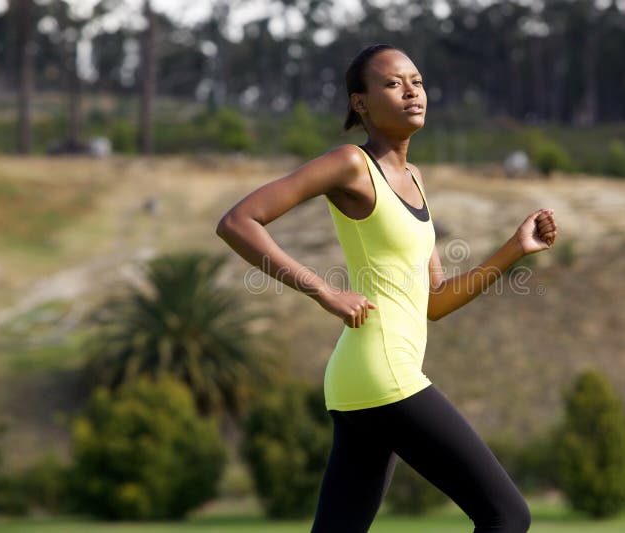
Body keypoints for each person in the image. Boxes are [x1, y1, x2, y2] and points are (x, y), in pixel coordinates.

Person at [216, 43, 557, 533]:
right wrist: (324, 291)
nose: (411, 92)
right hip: (383, 374)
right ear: (361, 103)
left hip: (362, 378)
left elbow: (433, 302)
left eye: (416, 81)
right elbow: (238, 221)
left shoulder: (414, 179)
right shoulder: (352, 164)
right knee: (507, 516)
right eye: (393, 83)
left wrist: (514, 249)